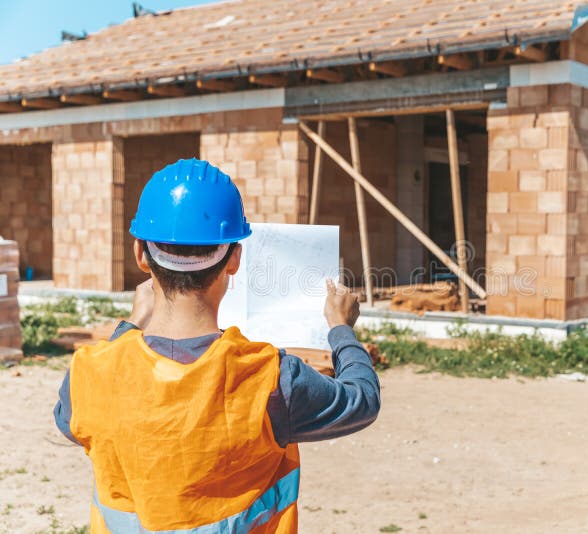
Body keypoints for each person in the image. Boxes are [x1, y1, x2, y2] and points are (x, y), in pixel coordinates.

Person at [53, 159, 380, 533]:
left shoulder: (89, 374)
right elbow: (362, 399)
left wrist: (129, 327)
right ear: (235, 259)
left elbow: (72, 420)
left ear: (141, 254)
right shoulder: (268, 379)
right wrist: (340, 328)